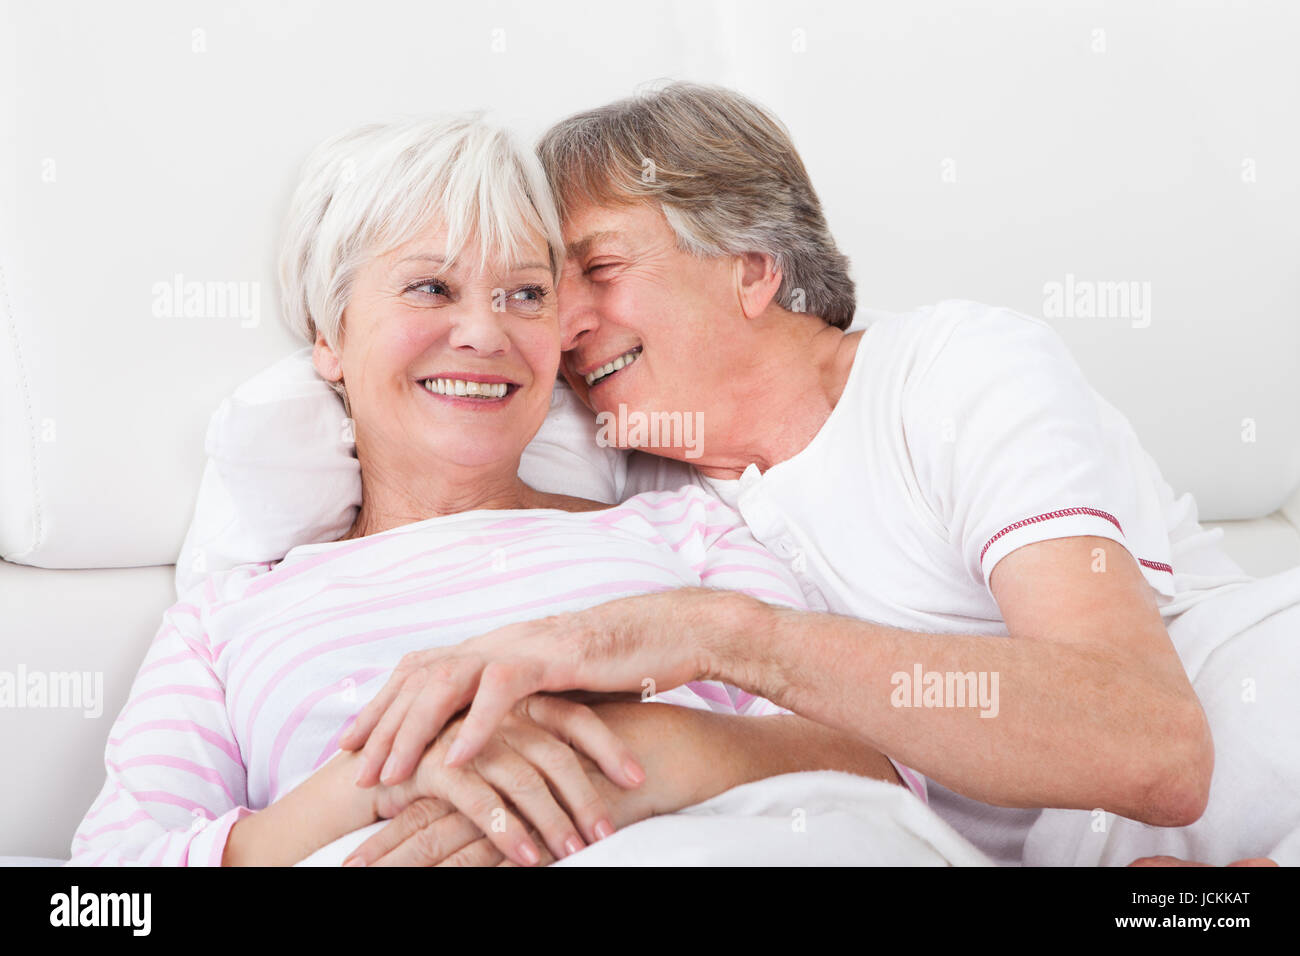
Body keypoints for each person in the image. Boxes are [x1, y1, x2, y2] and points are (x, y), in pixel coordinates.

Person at [344, 84, 1294, 867]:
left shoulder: (953, 369)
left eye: (600, 268)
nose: (567, 322)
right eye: (552, 289)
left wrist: (724, 637)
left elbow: (1151, 747)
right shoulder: (643, 496)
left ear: (752, 270)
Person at [66, 115, 916, 868]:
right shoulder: (224, 621)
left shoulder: (682, 531)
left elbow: (884, 769)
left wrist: (631, 753)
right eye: (431, 287)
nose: (484, 331)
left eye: (525, 295)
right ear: (330, 333)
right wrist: (385, 783)